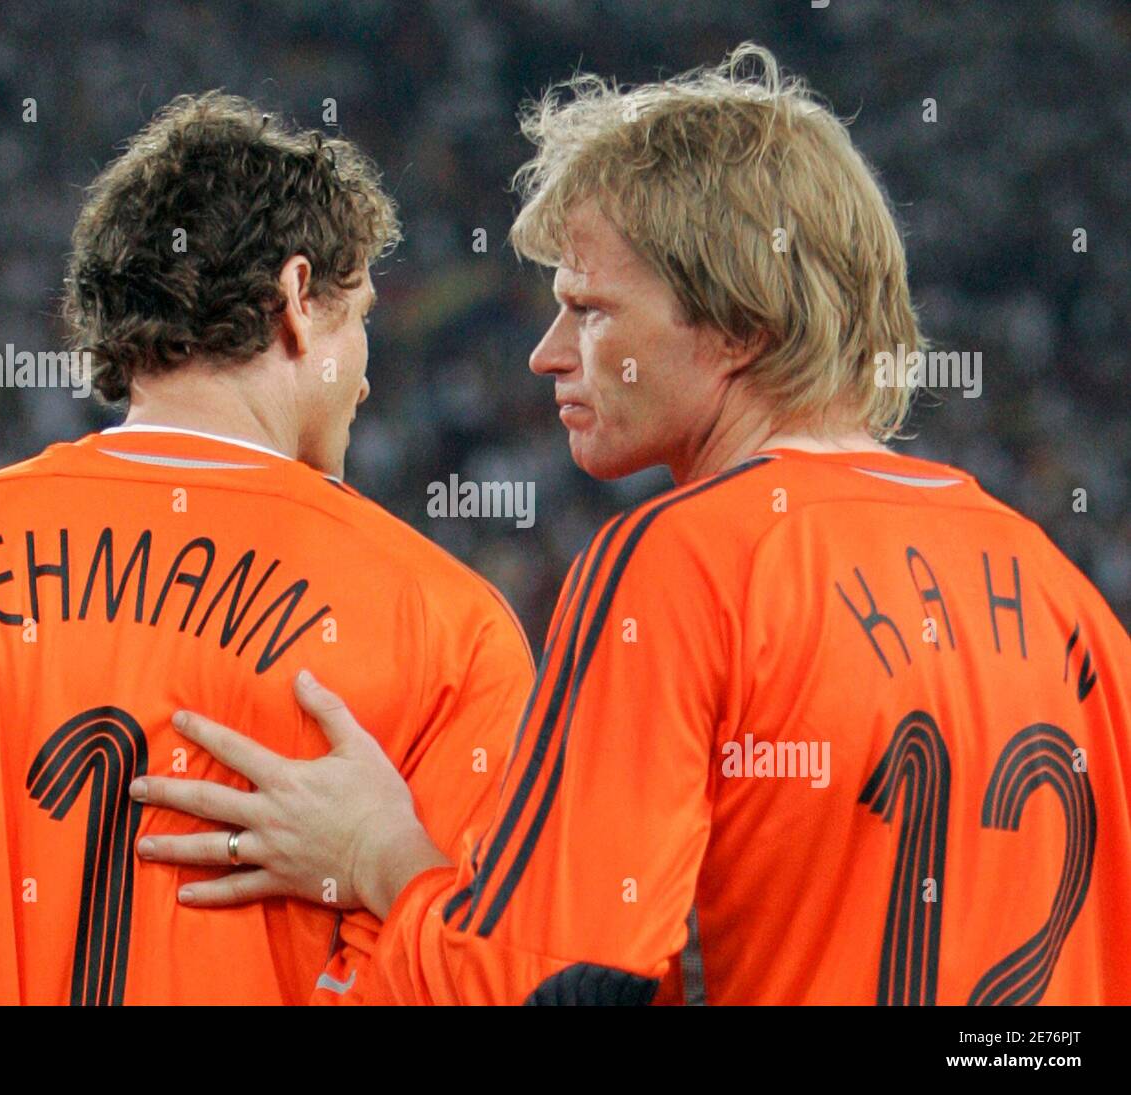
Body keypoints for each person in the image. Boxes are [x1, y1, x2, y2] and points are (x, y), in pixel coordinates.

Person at [132, 45, 1131, 1005]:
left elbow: (550, 984)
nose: (546, 353)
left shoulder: (686, 562)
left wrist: (376, 854)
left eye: (590, 310)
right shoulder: (1063, 595)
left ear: (740, 326)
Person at [0, 92, 532, 1005]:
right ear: (295, 301)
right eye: (359, 316)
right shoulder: (448, 629)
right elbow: (455, 980)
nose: (368, 370)